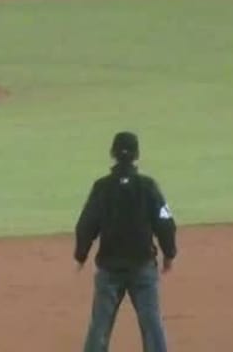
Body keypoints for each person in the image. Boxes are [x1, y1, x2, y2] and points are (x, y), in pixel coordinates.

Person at [75, 131, 177, 352]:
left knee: (100, 324)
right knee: (151, 323)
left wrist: (81, 255)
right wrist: (169, 253)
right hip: (142, 265)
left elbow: (86, 223)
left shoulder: (102, 187)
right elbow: (165, 222)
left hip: (109, 267)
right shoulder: (147, 186)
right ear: (137, 155)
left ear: (112, 154)